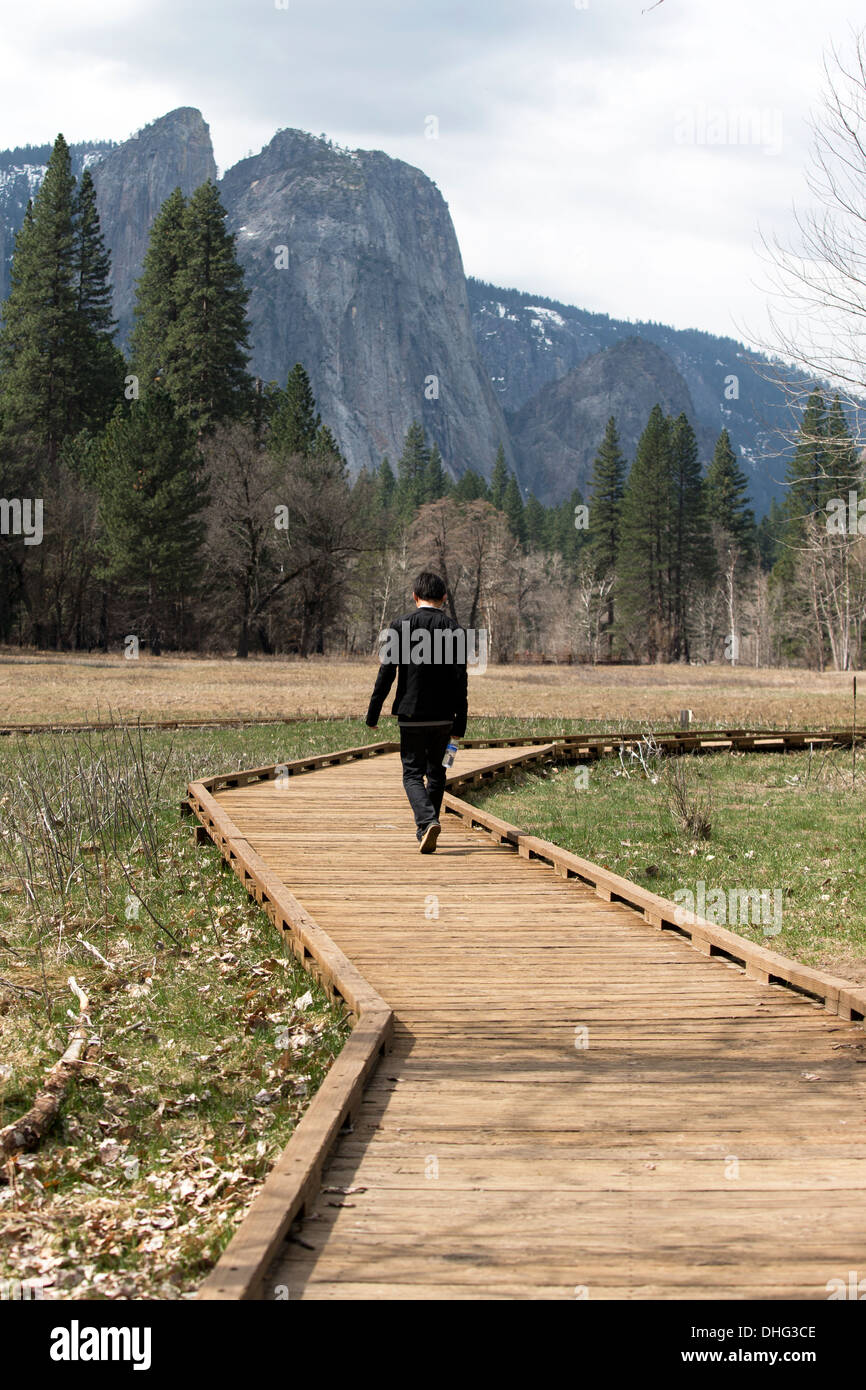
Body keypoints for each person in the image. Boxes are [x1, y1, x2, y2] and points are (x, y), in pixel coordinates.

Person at [366, 571, 468, 853]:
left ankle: (426, 822)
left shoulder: (399, 626)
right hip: (444, 716)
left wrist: (373, 713)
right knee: (438, 773)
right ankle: (427, 826)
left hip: (411, 715)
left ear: (414, 596)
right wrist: (462, 722)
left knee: (412, 774)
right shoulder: (455, 630)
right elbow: (461, 680)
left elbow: (386, 672)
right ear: (444, 598)